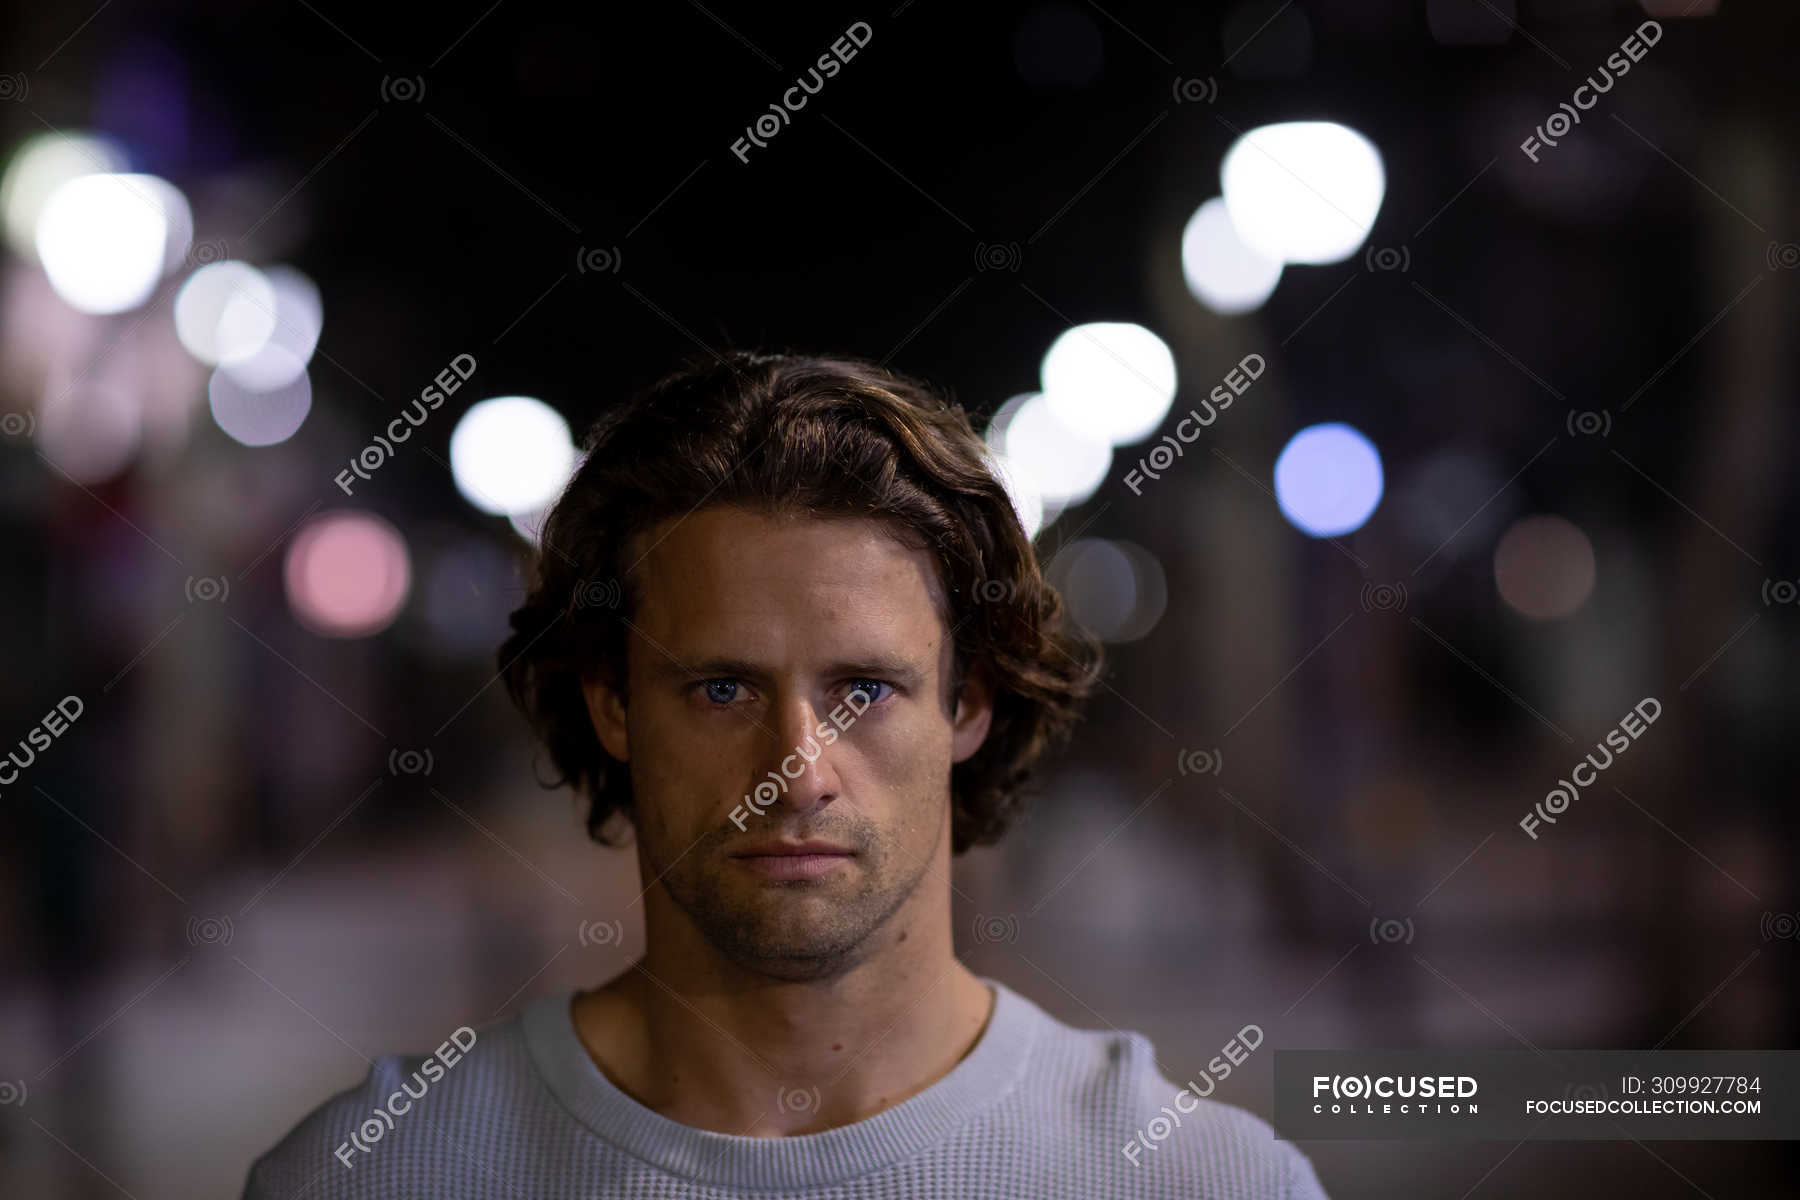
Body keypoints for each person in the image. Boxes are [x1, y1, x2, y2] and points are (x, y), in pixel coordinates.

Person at [240, 349, 1330, 1198]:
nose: (795, 771)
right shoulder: (375, 1175)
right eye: (720, 688)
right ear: (612, 705)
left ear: (970, 703)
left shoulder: (1210, 1182)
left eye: (863, 690)